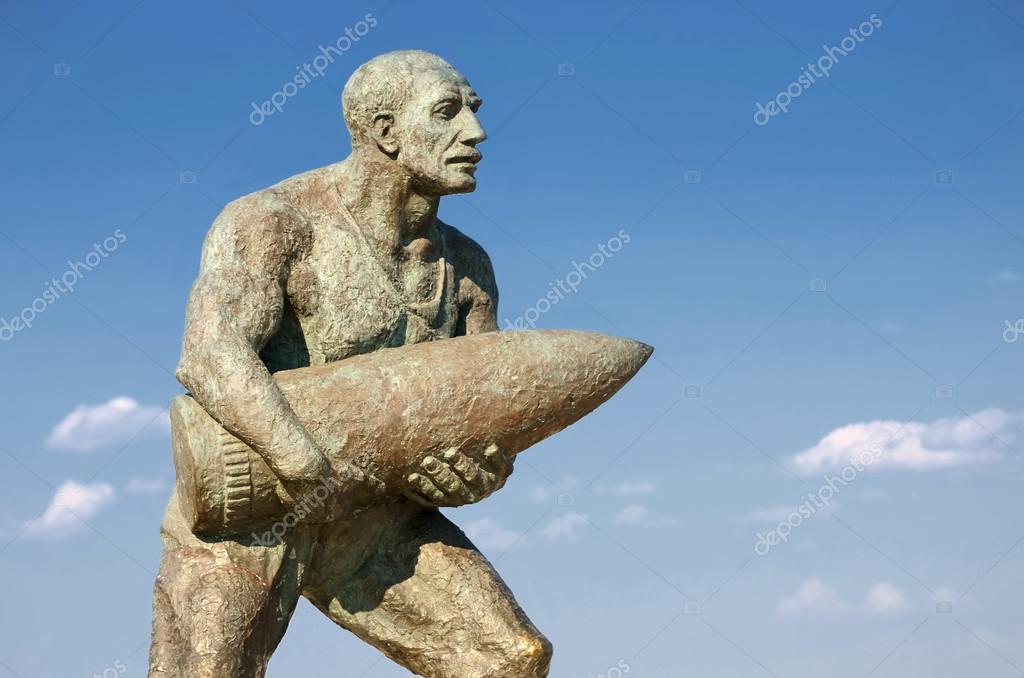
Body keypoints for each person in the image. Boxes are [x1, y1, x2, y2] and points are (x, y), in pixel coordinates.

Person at [148, 50, 552, 678]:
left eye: (474, 111)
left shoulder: (468, 269)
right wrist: (302, 460)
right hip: (257, 505)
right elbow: (209, 354)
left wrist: (480, 473)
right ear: (386, 132)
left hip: (375, 518)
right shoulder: (274, 223)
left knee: (508, 659)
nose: (475, 132)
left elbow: (484, 416)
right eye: (447, 112)